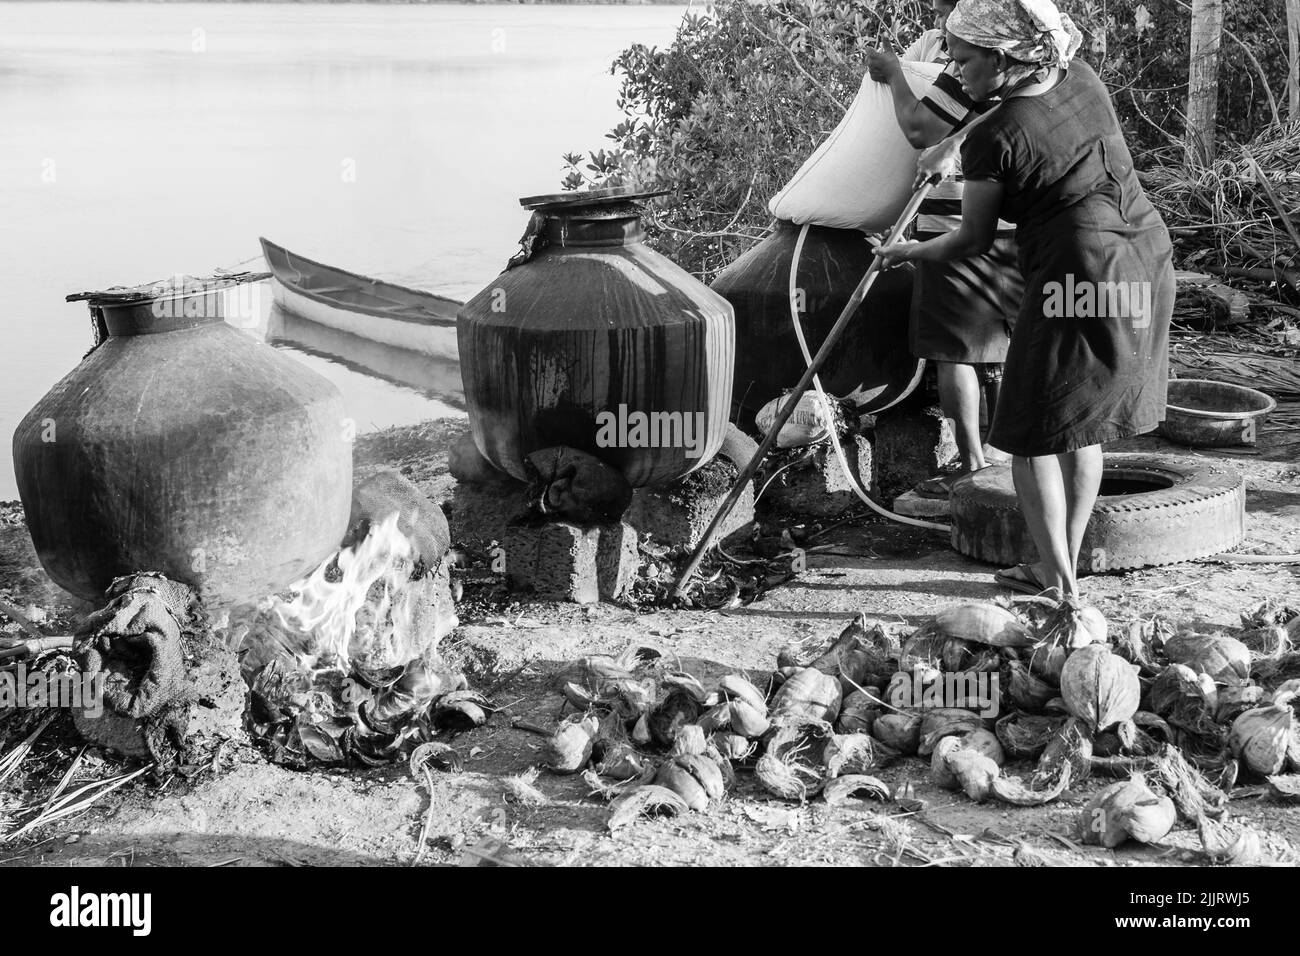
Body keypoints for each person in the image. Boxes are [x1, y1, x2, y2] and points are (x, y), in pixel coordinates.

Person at [875, 0, 1174, 598]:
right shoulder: (1078, 77)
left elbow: (972, 240)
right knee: (1079, 427)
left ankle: (1060, 587)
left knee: (1030, 437)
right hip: (1144, 256)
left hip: (1078, 275)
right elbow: (1016, 117)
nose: (955, 73)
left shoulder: (996, 136)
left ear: (1004, 57)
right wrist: (958, 142)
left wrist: (908, 252)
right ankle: (1060, 565)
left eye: (962, 62)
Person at [867, 0, 1024, 498]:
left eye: (944, 7)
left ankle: (973, 463)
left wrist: (893, 75)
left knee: (952, 348)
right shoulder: (1023, 55)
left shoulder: (962, 66)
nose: (938, 20)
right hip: (1010, 216)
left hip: (954, 218)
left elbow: (919, 129)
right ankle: (1012, 455)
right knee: (1001, 338)